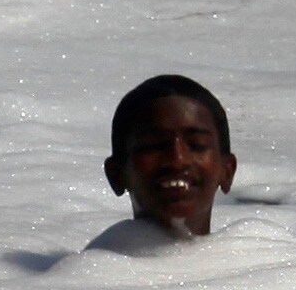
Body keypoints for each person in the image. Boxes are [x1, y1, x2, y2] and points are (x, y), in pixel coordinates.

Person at [85, 74, 237, 253]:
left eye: (197, 145)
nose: (178, 160)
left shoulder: (257, 269)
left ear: (227, 171)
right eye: (153, 146)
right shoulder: (82, 278)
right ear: (117, 175)